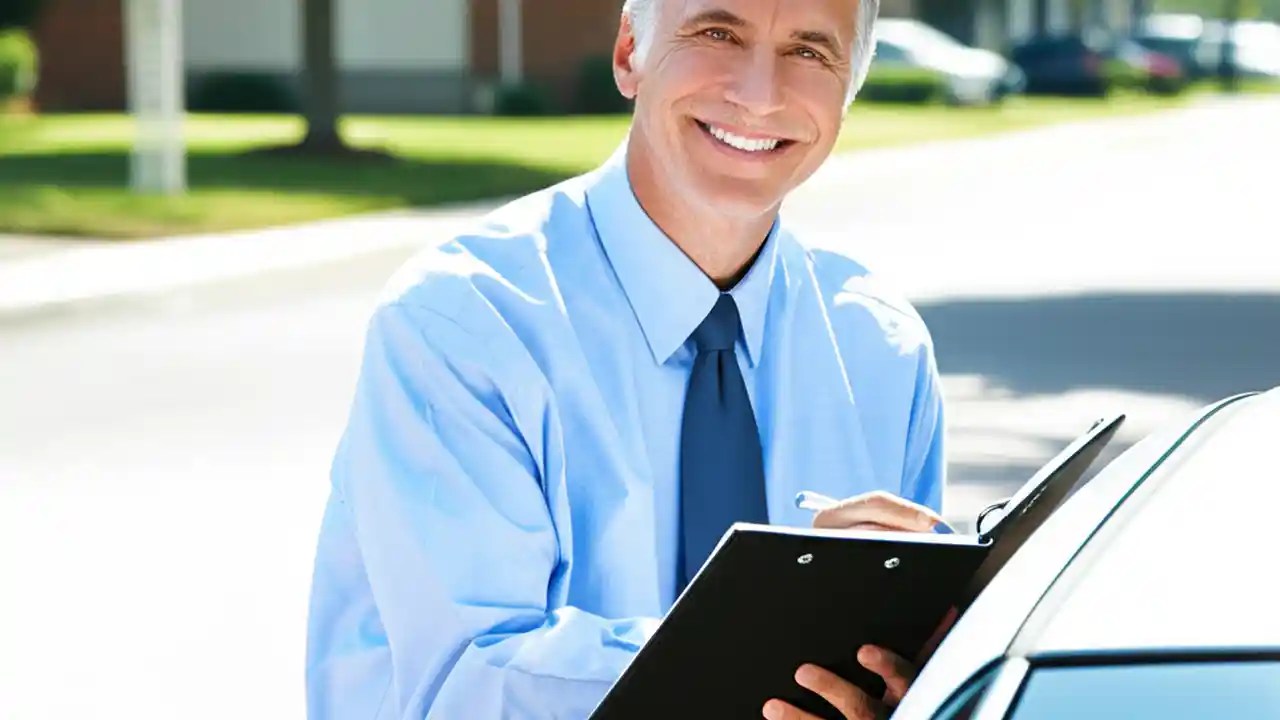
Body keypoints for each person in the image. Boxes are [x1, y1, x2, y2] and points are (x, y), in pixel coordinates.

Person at [305, 0, 949, 717]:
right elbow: (471, 682)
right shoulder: (463, 324)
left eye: (810, 52)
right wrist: (780, 625)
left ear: (849, 92)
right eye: (716, 33)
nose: (760, 94)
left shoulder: (883, 350)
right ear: (628, 55)